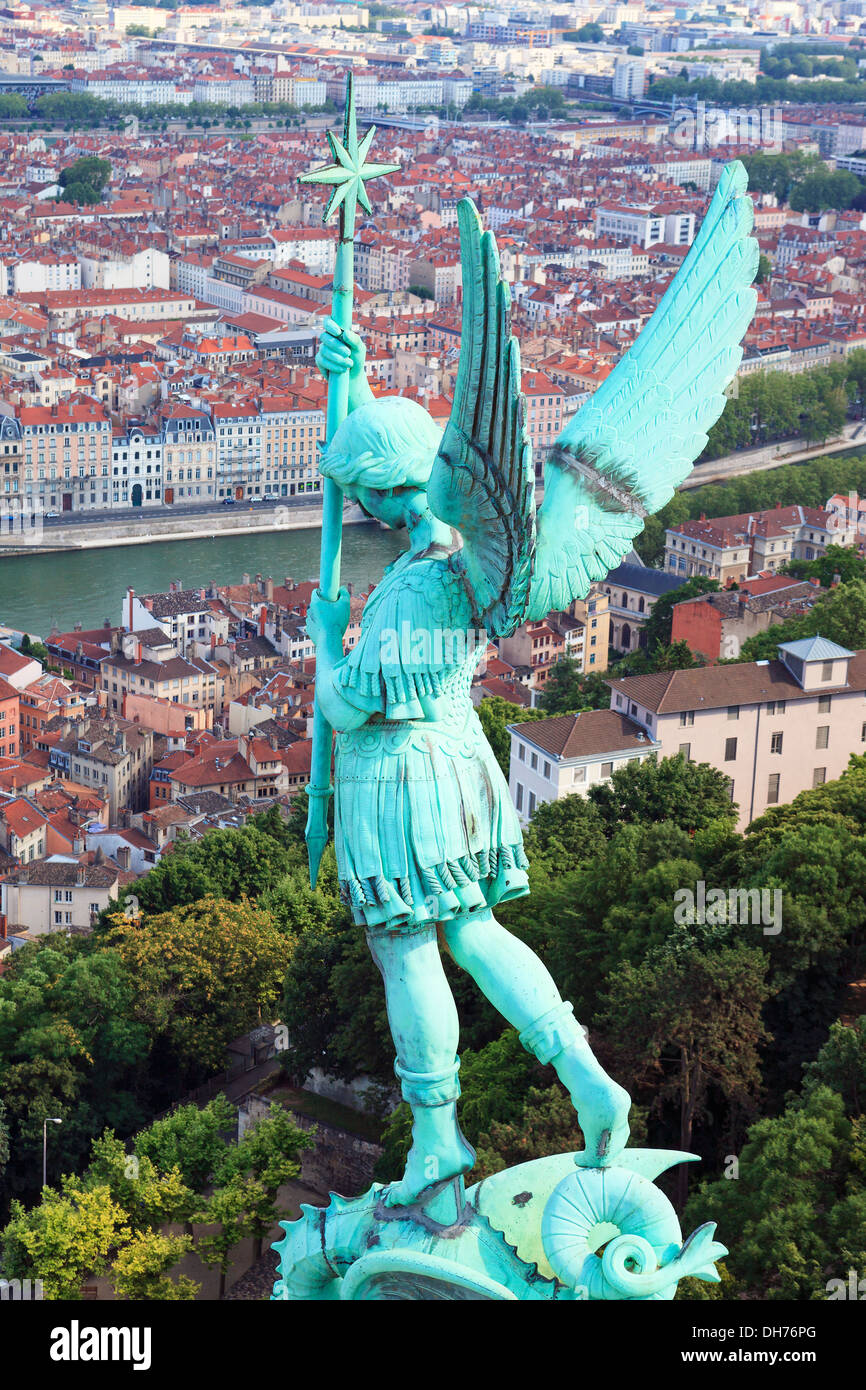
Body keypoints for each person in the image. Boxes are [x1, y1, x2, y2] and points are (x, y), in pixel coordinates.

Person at [305, 318, 630, 1207]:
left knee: (407, 949)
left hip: (401, 780)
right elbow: (407, 473)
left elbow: (349, 702)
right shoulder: (458, 553)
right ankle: (585, 1073)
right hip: (458, 762)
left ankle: (439, 1138)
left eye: (367, 497)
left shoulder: (415, 583)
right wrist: (360, 383)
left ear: (378, 499)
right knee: (475, 932)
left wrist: (326, 643)